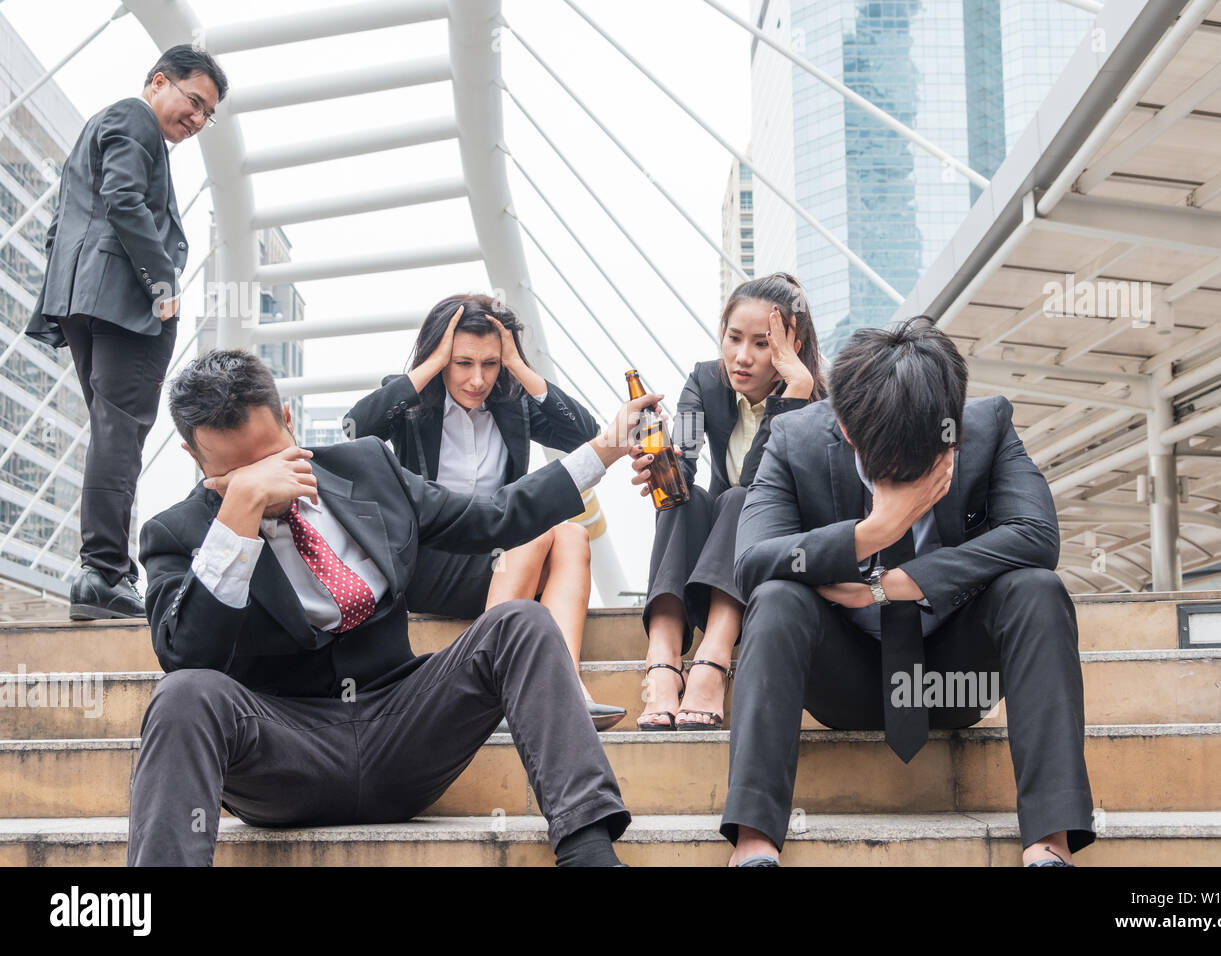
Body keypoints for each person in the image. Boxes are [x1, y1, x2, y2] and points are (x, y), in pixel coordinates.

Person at [127, 349, 661, 866]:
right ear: (194, 460)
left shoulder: (368, 466)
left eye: (270, 459)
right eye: (238, 475)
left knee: (520, 623)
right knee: (182, 694)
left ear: (288, 418)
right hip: (286, 757)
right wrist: (237, 513)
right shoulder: (177, 533)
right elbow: (188, 654)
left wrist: (607, 447)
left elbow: (494, 516)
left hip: (404, 732)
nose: (265, 483)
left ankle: (588, 851)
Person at [722, 317, 1095, 867]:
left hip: (952, 680)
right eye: (888, 465)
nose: (904, 475)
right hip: (842, 679)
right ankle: (754, 843)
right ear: (846, 429)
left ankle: (1049, 844)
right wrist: (873, 532)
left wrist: (898, 584)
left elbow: (1037, 536)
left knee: (1036, 589)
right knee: (777, 598)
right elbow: (753, 561)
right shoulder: (795, 438)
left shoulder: (985, 427)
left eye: (921, 462)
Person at [344, 294, 623, 729]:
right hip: (428, 563)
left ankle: (564, 682)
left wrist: (518, 366)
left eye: (490, 364)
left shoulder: (513, 404)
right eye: (463, 363)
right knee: (536, 525)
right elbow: (354, 430)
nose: (477, 380)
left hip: (501, 563)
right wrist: (431, 367)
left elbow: (585, 437)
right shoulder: (412, 404)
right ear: (440, 358)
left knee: (571, 534)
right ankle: (491, 675)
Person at [26, 45, 229, 621]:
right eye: (194, 103)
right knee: (122, 436)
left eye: (206, 115)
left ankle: (103, 572)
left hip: (87, 302)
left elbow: (62, 224)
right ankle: (104, 573)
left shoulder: (106, 126)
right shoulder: (132, 119)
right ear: (159, 81)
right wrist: (162, 284)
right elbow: (123, 200)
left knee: (112, 436)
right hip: (124, 304)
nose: (196, 121)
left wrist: (65, 294)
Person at [634, 274, 823, 731]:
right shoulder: (705, 381)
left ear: (791, 343)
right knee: (680, 497)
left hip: (778, 553)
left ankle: (712, 660)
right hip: (720, 552)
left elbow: (765, 489)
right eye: (734, 338)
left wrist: (793, 396)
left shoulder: (818, 403)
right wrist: (660, 463)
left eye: (762, 344)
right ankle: (662, 656)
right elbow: (686, 467)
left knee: (742, 496)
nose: (742, 357)